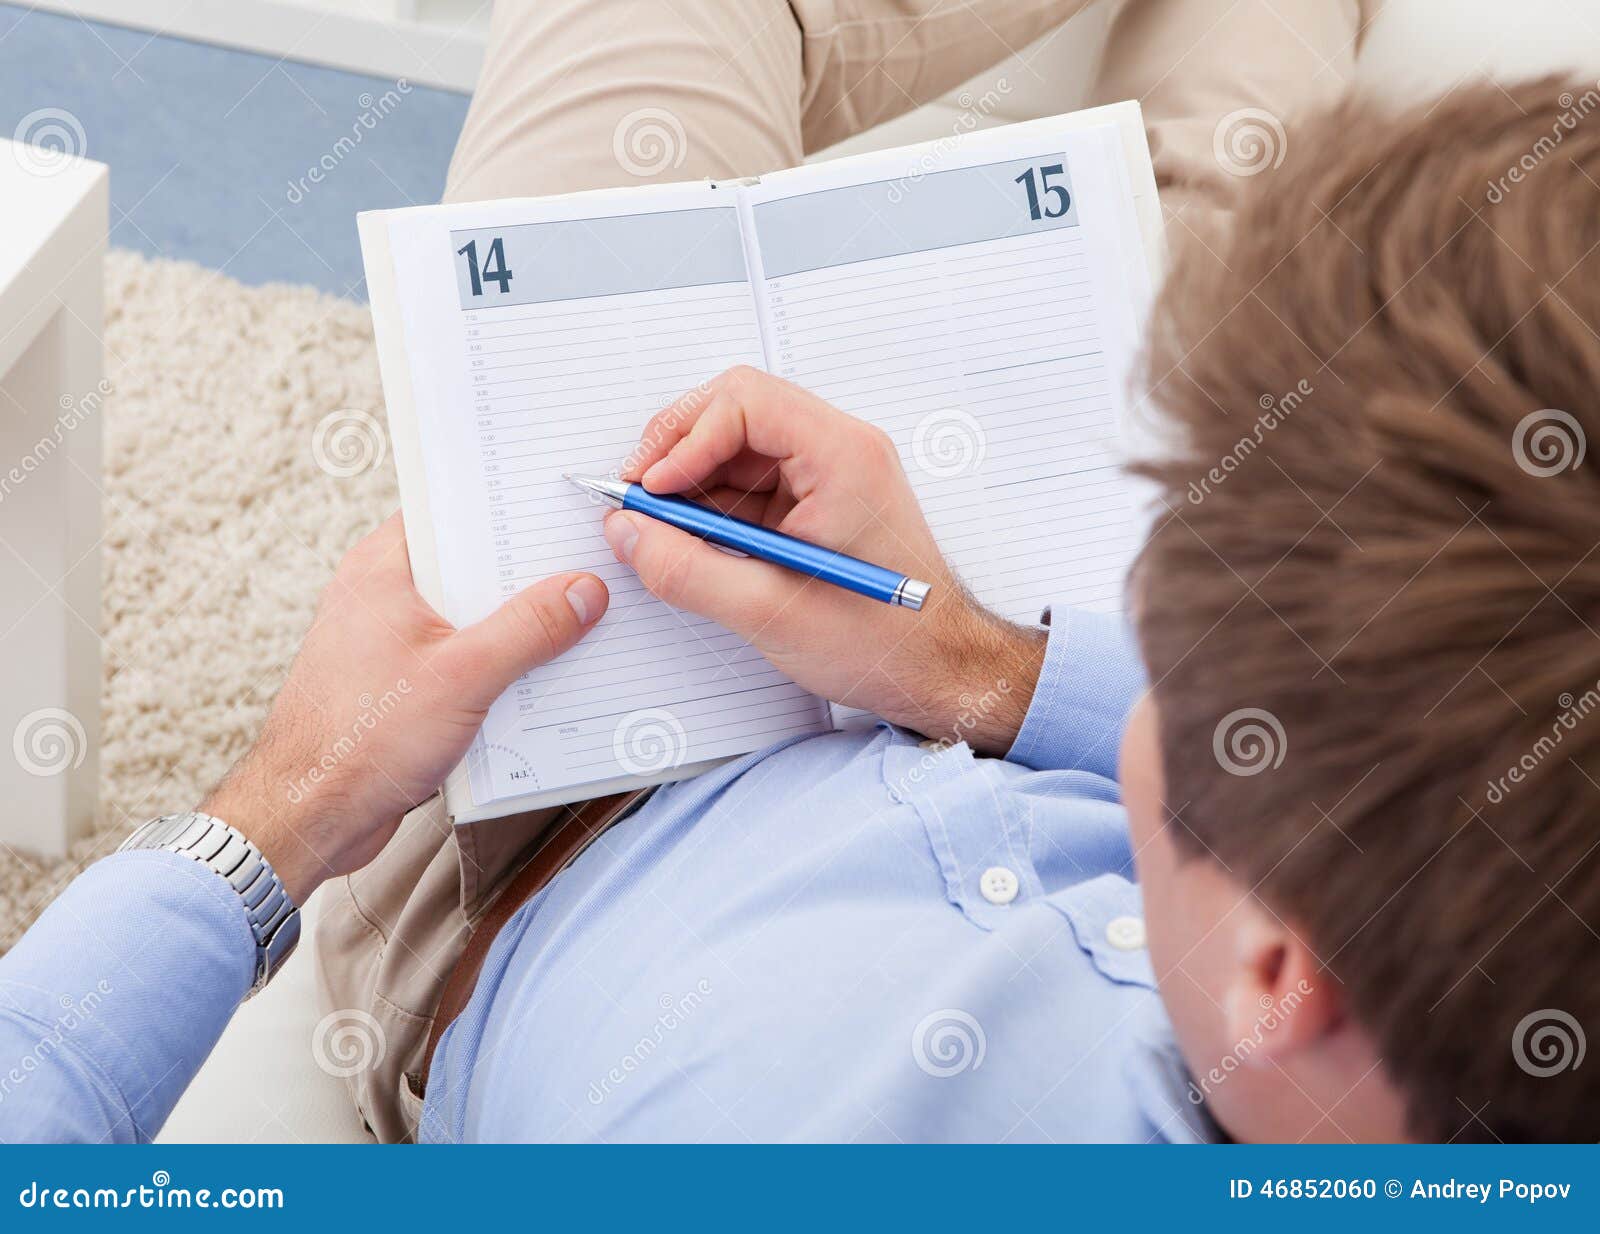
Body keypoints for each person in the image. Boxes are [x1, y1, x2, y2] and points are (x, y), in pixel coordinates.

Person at [6, 0, 1596, 1144]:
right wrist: (980, 660)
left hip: (546, 834)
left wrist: (283, 806)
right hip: (922, 660)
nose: (1150, 643)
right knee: (1230, 153)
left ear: (1281, 973)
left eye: (1190, 666)